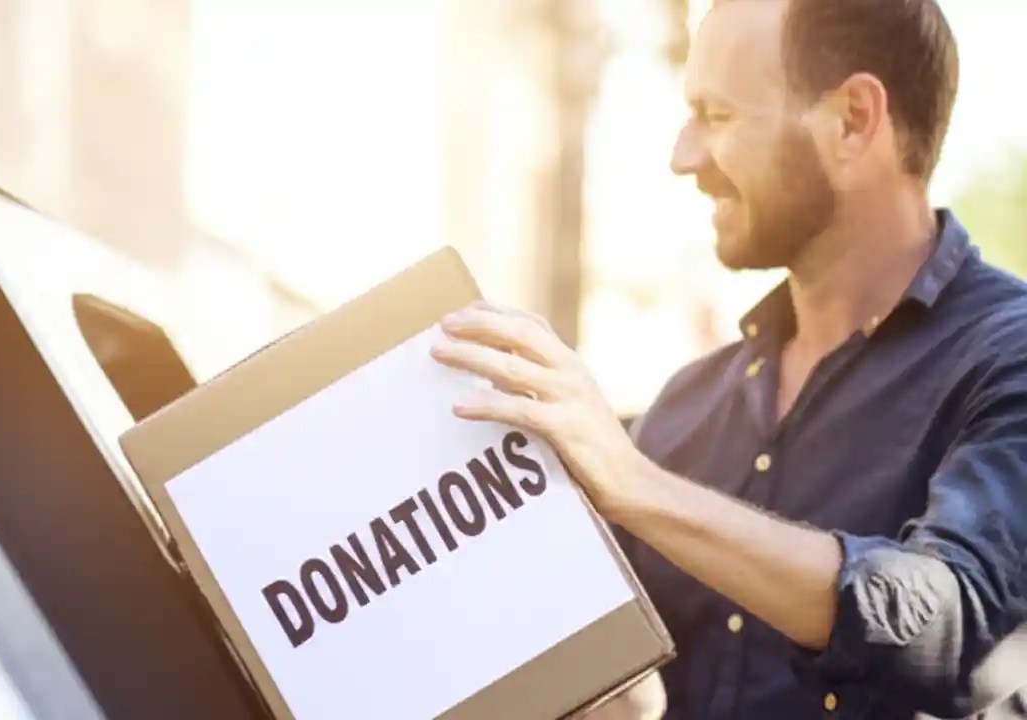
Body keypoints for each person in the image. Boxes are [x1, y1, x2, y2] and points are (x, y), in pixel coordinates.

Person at [429, 0, 1027, 717]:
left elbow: (951, 627)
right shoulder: (689, 404)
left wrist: (637, 484)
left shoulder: (1007, 355)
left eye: (717, 115)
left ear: (852, 121)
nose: (683, 157)